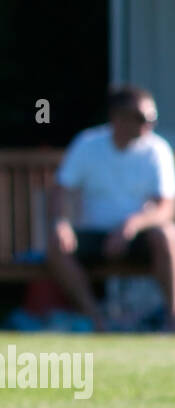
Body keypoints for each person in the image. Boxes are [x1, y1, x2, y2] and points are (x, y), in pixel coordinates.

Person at [47, 85, 175, 331]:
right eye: (142, 118)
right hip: (94, 235)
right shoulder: (88, 144)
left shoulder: (157, 150)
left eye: (152, 118)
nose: (149, 124)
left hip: (140, 238)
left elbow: (166, 208)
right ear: (118, 117)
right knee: (56, 244)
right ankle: (96, 320)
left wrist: (131, 225)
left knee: (168, 235)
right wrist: (61, 223)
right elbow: (60, 190)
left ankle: (172, 319)